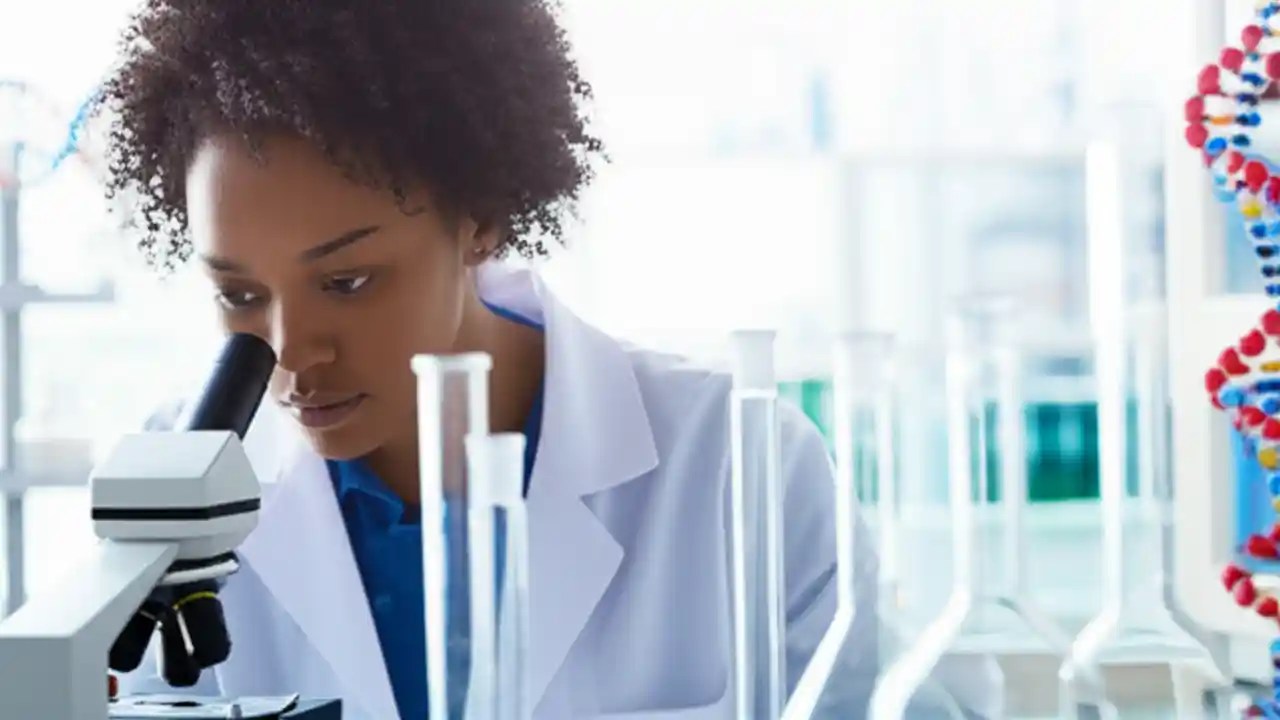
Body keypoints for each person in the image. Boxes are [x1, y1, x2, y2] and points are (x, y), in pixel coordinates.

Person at [96, 1, 999, 718]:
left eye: (349, 281)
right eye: (239, 295)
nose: (293, 352)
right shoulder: (174, 495)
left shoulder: (737, 468)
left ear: (479, 218)